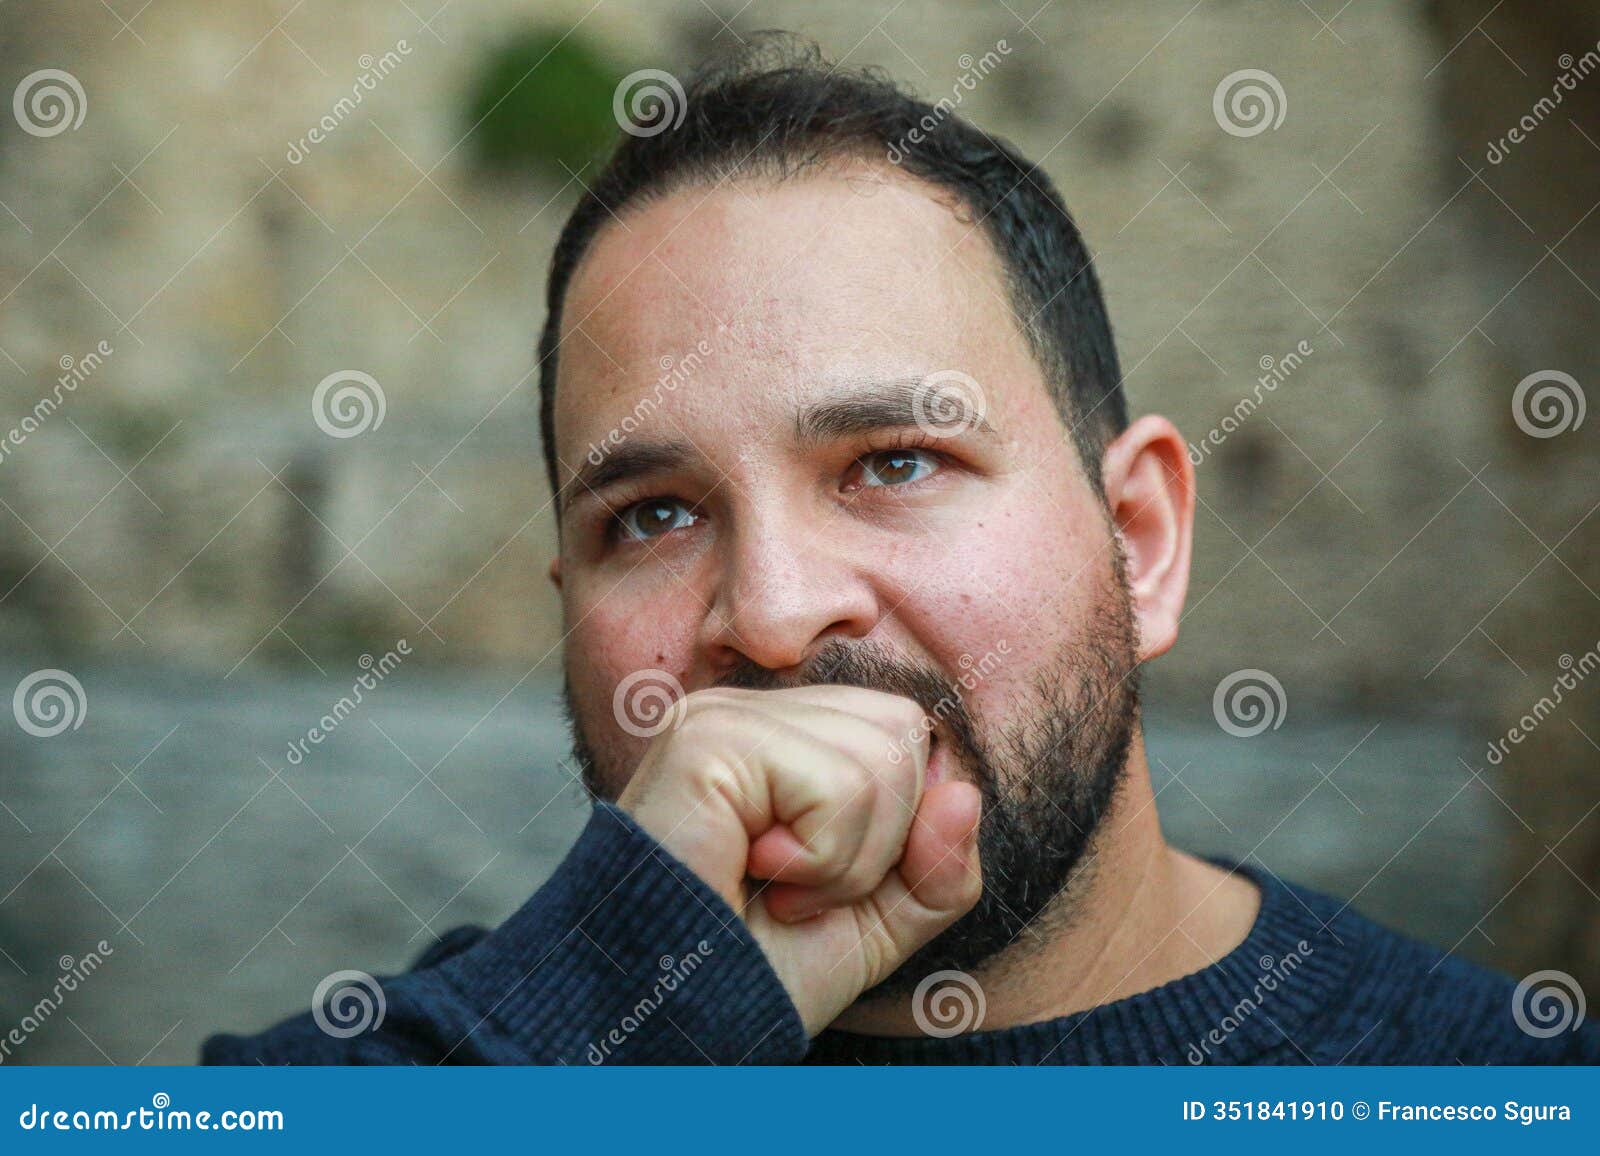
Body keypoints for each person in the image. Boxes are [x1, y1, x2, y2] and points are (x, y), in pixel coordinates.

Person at [204, 37, 1598, 1066]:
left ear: (1142, 543)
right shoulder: (462, 1060)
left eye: (894, 464)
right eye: (654, 515)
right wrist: (624, 1008)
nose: (771, 615)